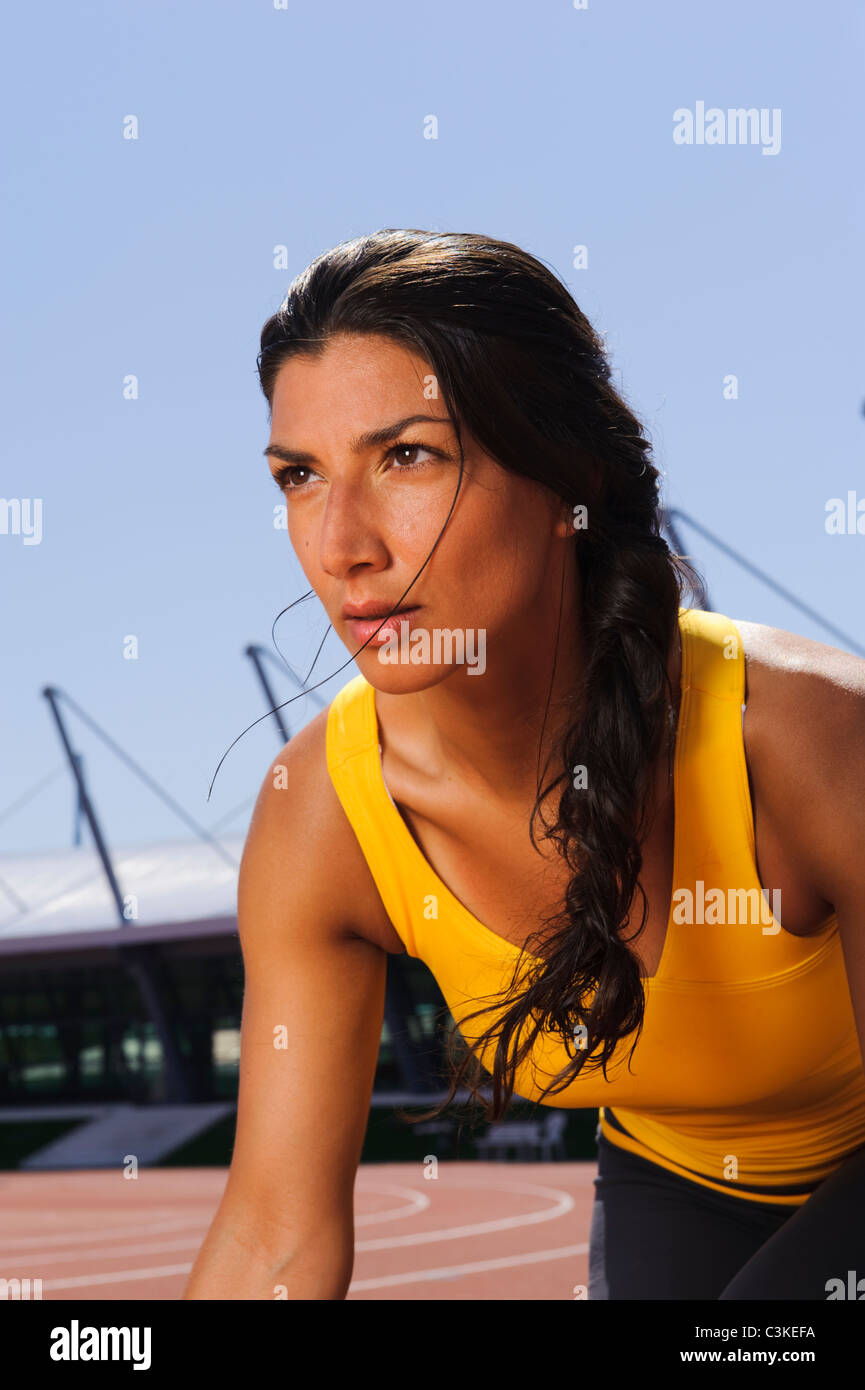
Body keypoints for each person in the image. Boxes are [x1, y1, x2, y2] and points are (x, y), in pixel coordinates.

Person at [183, 229, 865, 1301]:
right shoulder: (324, 817)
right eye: (301, 477)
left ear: (564, 481)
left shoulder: (806, 737)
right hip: (674, 1177)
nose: (341, 545)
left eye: (407, 456)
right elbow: (274, 1238)